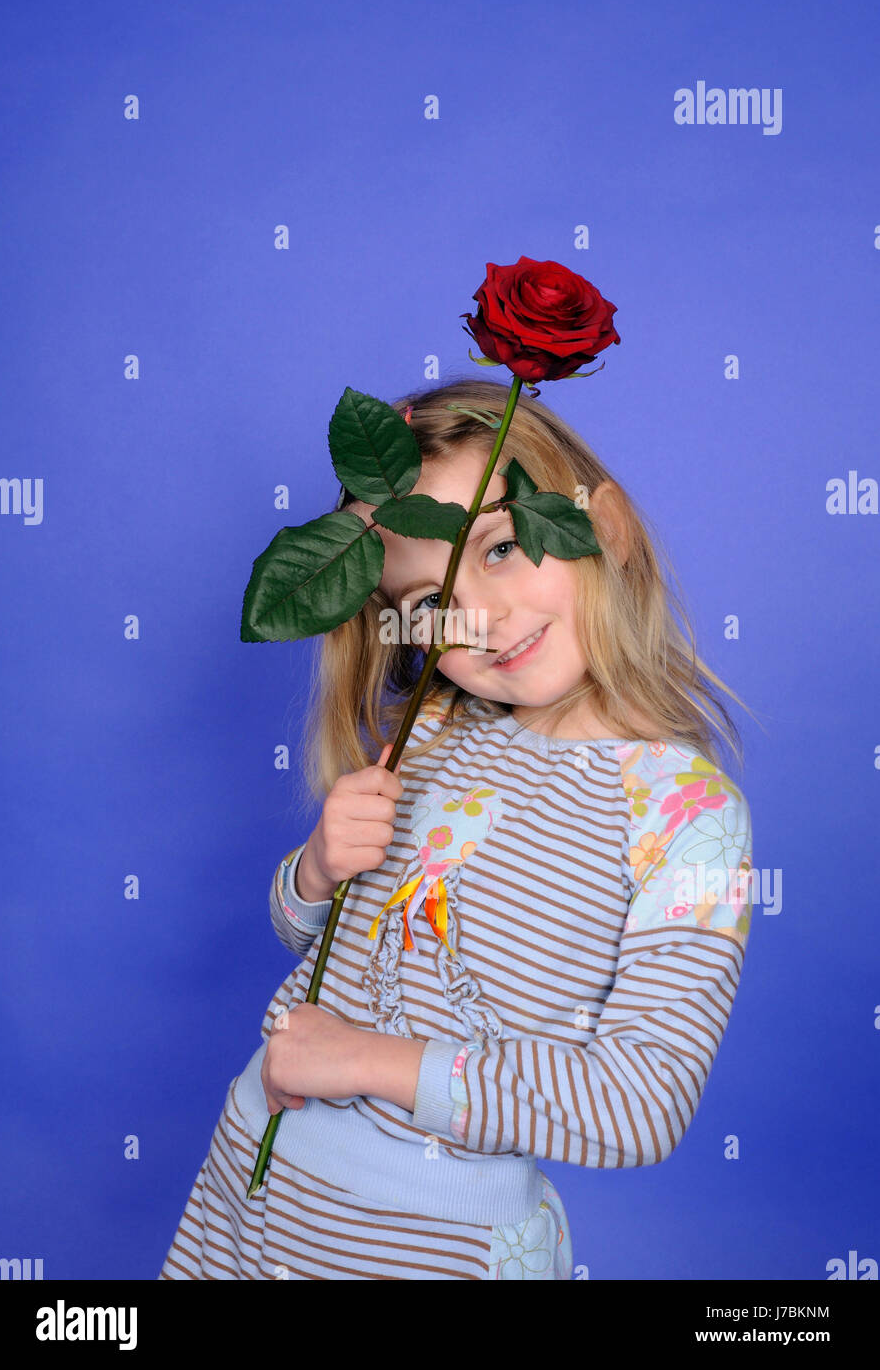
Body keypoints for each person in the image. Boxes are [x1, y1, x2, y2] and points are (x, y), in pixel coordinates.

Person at [159, 376, 756, 1280]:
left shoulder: (689, 818)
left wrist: (366, 1060)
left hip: (434, 1243)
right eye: (431, 599)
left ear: (610, 527)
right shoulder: (432, 729)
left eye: (503, 546)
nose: (484, 615)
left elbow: (642, 1106)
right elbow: (317, 935)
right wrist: (313, 874)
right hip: (250, 1180)